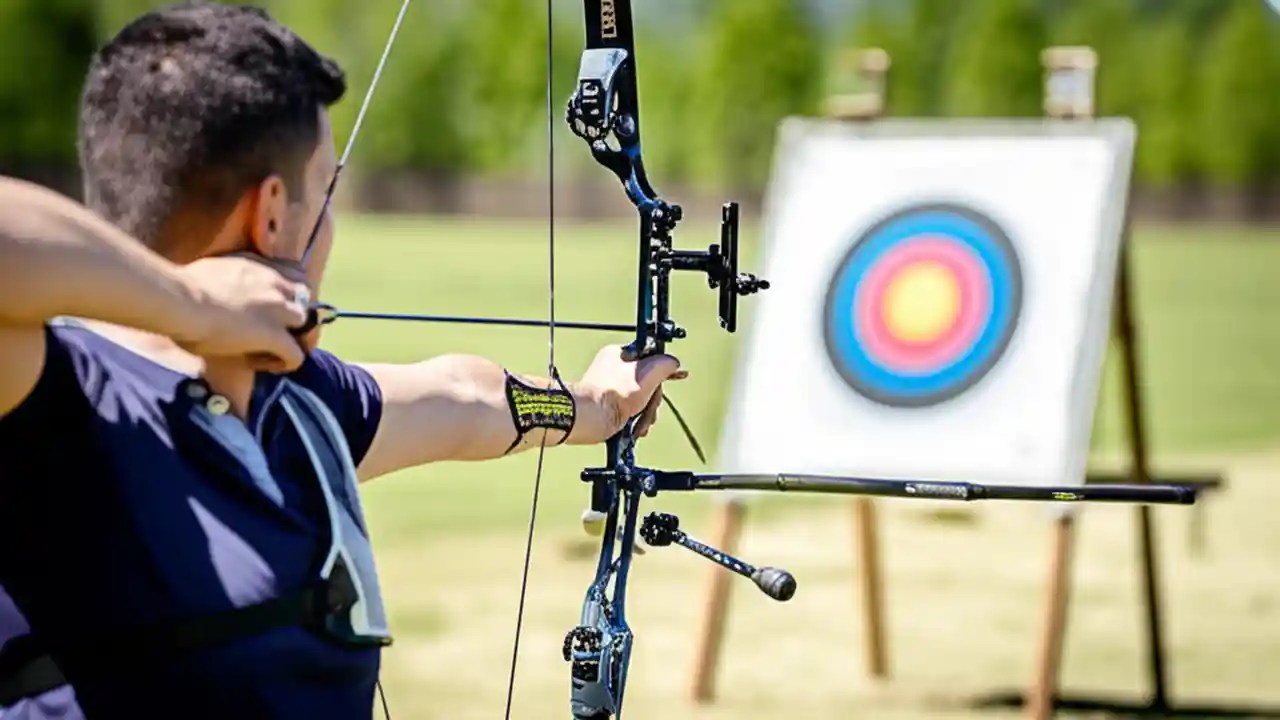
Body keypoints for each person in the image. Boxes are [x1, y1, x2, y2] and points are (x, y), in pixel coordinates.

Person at [0, 4, 682, 719]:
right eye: (324, 192)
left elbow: (465, 398)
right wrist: (191, 305)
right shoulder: (55, 402)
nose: (331, 227)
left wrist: (594, 405)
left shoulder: (300, 407)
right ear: (270, 214)